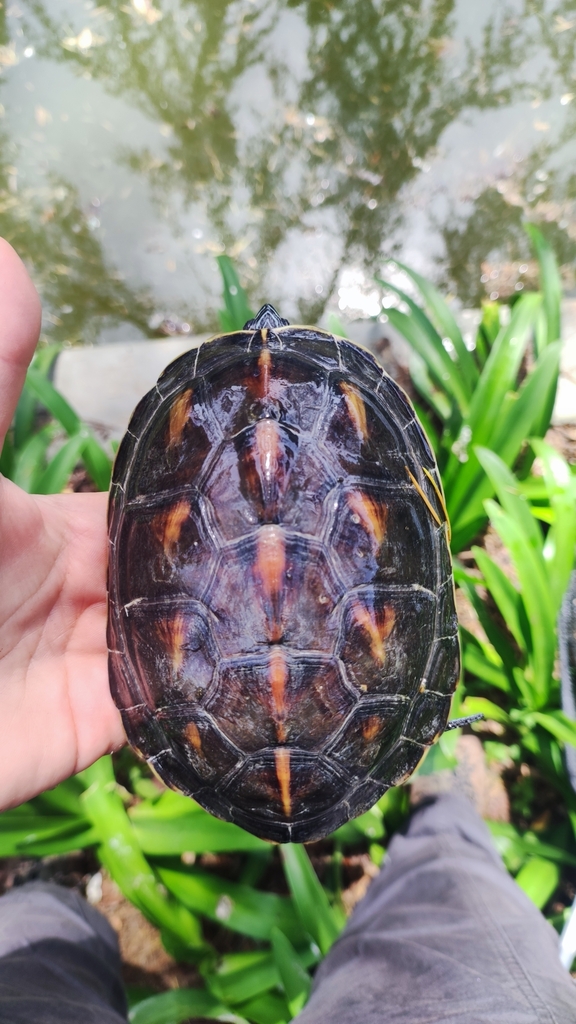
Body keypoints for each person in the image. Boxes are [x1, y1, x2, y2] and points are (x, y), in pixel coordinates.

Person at [0, 238, 575, 1023]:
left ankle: (52, 911)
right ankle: (444, 832)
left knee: (32, 967)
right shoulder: (347, 398)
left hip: (212, 753)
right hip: (282, 747)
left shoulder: (187, 408)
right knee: (465, 940)